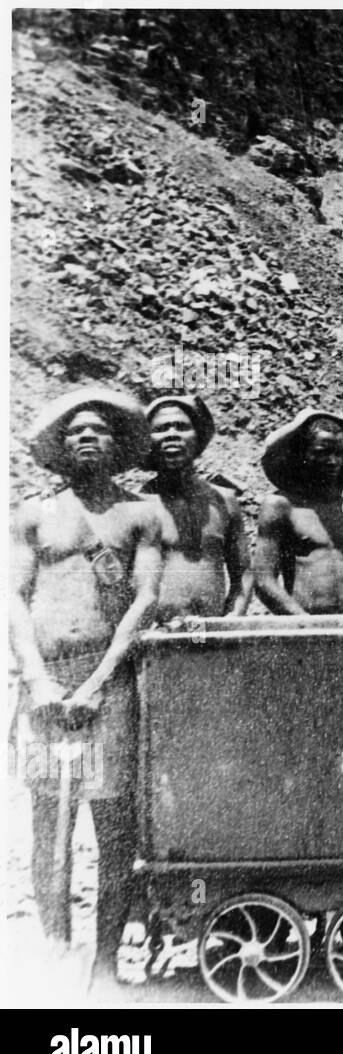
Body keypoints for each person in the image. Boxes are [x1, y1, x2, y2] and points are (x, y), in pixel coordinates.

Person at [11, 389, 162, 982]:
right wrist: (41, 680)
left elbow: (144, 599)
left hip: (112, 684)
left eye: (98, 429)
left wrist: (100, 680)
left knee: (113, 825)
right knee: (49, 820)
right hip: (45, 688)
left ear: (117, 442)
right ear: (60, 446)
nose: (87, 437)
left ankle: (102, 962)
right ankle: (53, 947)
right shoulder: (34, 514)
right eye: (75, 431)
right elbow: (13, 599)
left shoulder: (140, 513)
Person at [253, 409, 343, 615]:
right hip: (301, 628)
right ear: (301, 454)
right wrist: (304, 623)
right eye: (321, 452)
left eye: (339, 453)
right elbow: (263, 579)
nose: (332, 461)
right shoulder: (284, 504)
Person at [141, 394, 251, 619]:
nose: (172, 434)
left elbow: (244, 574)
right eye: (161, 429)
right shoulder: (139, 504)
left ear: (197, 436)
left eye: (181, 427)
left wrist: (234, 616)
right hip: (155, 636)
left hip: (214, 633)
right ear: (148, 442)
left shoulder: (224, 501)